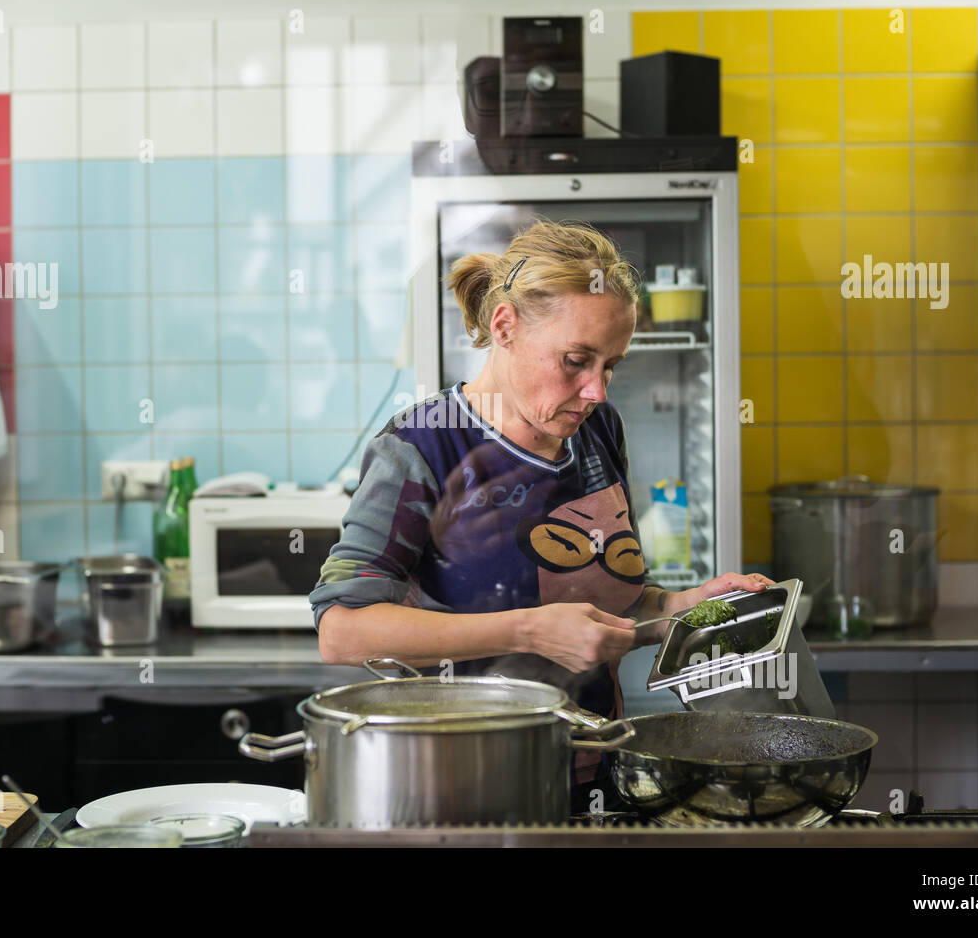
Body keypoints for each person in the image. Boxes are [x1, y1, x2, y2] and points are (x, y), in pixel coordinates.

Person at [309, 218, 771, 811]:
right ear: (505, 326)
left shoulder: (598, 429)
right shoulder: (424, 445)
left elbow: (604, 606)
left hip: (591, 771)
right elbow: (342, 630)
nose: (597, 389)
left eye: (611, 365)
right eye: (576, 360)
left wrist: (680, 607)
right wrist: (528, 627)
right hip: (465, 784)